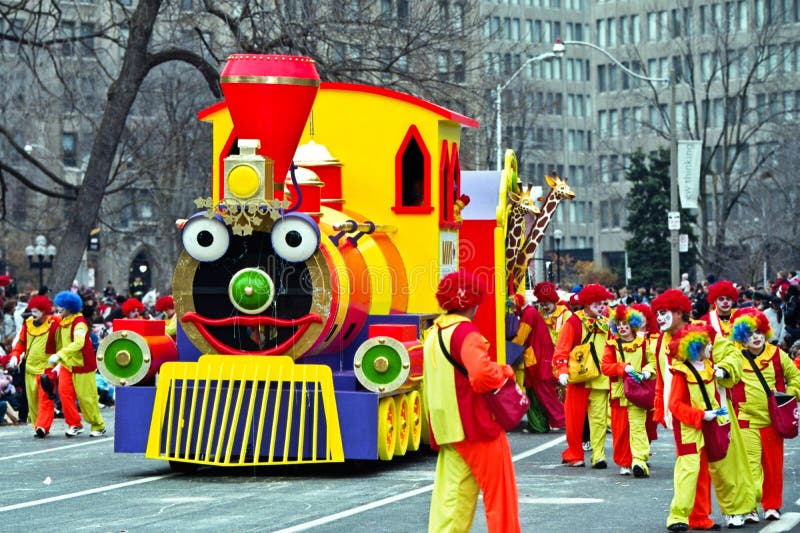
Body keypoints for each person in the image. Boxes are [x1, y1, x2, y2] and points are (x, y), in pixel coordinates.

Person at [423, 270, 520, 533]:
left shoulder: (434, 333)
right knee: (500, 496)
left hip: (448, 427)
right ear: (472, 303)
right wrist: (503, 371)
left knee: (451, 497)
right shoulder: (465, 332)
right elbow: (481, 376)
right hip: (477, 425)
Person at [665, 323, 756, 531]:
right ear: (696, 347)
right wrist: (701, 415)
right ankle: (677, 516)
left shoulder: (709, 368)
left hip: (710, 425)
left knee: (707, 472)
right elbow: (675, 405)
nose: (711, 347)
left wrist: (717, 416)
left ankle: (700, 518)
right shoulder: (681, 372)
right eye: (707, 345)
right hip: (689, 429)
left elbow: (713, 396)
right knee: (688, 471)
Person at [730, 308, 800, 522]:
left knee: (773, 467)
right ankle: (750, 506)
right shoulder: (735, 357)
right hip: (746, 419)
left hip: (773, 420)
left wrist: (788, 395)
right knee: (750, 467)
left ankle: (772, 506)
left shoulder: (777, 354)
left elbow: (796, 377)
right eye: (750, 334)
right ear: (743, 337)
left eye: (759, 332)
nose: (756, 337)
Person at [552, 283, 614, 468]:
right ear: (586, 303)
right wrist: (562, 371)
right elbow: (561, 349)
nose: (601, 307)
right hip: (578, 378)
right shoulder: (573, 322)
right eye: (597, 303)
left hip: (600, 379)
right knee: (574, 420)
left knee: (599, 420)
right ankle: (575, 454)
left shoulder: (607, 324)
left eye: (603, 303)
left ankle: (598, 455)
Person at [601, 305, 655, 478]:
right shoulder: (611, 345)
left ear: (632, 325)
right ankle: (624, 462)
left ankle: (639, 460)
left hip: (638, 393)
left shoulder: (643, 343)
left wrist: (647, 372)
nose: (622, 328)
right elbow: (605, 367)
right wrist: (622, 368)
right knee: (621, 430)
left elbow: (652, 362)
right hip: (619, 393)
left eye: (625, 324)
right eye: (619, 325)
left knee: (638, 428)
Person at [49, 291, 106, 438]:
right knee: (64, 394)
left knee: (86, 397)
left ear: (69, 307)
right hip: (67, 364)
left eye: (61, 306)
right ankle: (74, 424)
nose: (58, 308)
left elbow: (78, 343)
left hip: (82, 365)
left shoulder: (79, 323)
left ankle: (98, 425)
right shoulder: (63, 321)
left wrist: (59, 355)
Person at [510, 292, 565, 431]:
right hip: (539, 359)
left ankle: (562, 420)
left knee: (545, 393)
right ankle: (545, 423)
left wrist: (505, 348)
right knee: (539, 393)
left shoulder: (529, 314)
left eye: (512, 306)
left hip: (539, 360)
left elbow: (520, 338)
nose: (512, 310)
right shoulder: (530, 312)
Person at [5, 295, 58, 436]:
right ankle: (38, 426)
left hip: (46, 369)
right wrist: (15, 356)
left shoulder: (54, 323)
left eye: (36, 311)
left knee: (45, 400)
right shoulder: (28, 324)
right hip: (29, 369)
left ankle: (43, 426)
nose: (32, 314)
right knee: (33, 402)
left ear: (44, 311)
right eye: (32, 311)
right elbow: (20, 344)